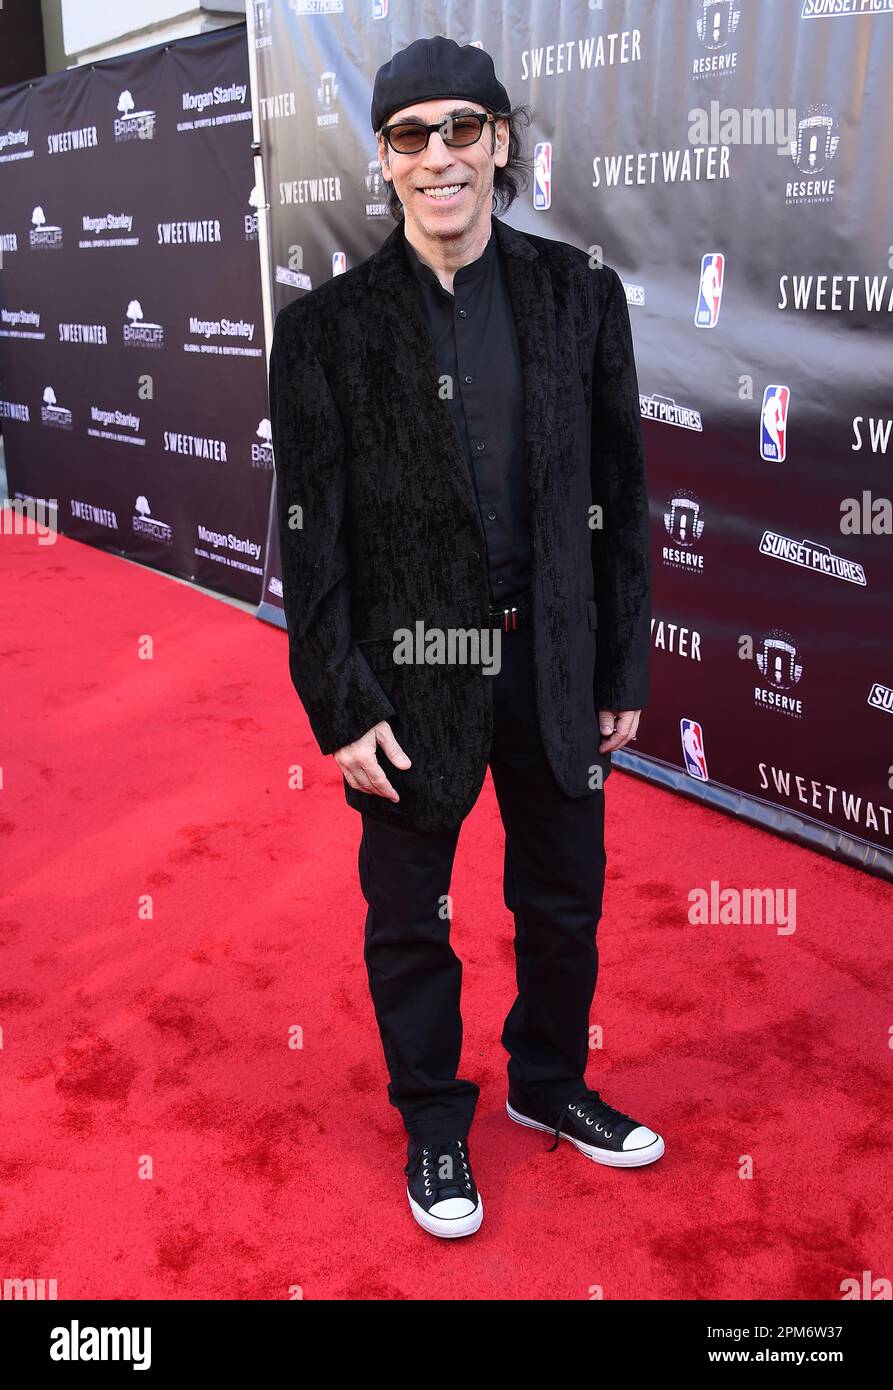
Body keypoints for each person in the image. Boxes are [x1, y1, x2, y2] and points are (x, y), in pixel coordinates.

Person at [268, 35, 663, 1241]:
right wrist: (340, 704)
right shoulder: (328, 330)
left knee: (564, 901)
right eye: (409, 136)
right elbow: (311, 537)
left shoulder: (577, 296)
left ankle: (548, 1082)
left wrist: (619, 665)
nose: (437, 156)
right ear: (384, 163)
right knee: (411, 920)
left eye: (460, 129)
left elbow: (621, 492)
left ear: (500, 141)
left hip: (547, 661)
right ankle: (436, 1121)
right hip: (409, 680)